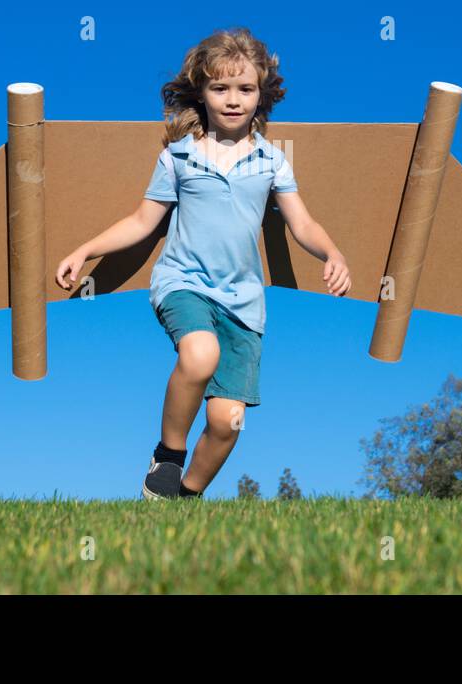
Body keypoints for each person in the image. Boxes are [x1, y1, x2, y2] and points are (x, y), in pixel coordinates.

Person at [54, 27, 351, 500]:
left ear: (262, 94)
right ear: (202, 92)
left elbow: (303, 224)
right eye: (220, 88)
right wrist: (85, 250)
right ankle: (169, 455)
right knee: (199, 355)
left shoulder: (272, 161)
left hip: (244, 304)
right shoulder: (178, 157)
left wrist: (332, 253)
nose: (233, 100)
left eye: (245, 89)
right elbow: (141, 221)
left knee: (227, 423)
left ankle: (184, 499)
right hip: (184, 283)